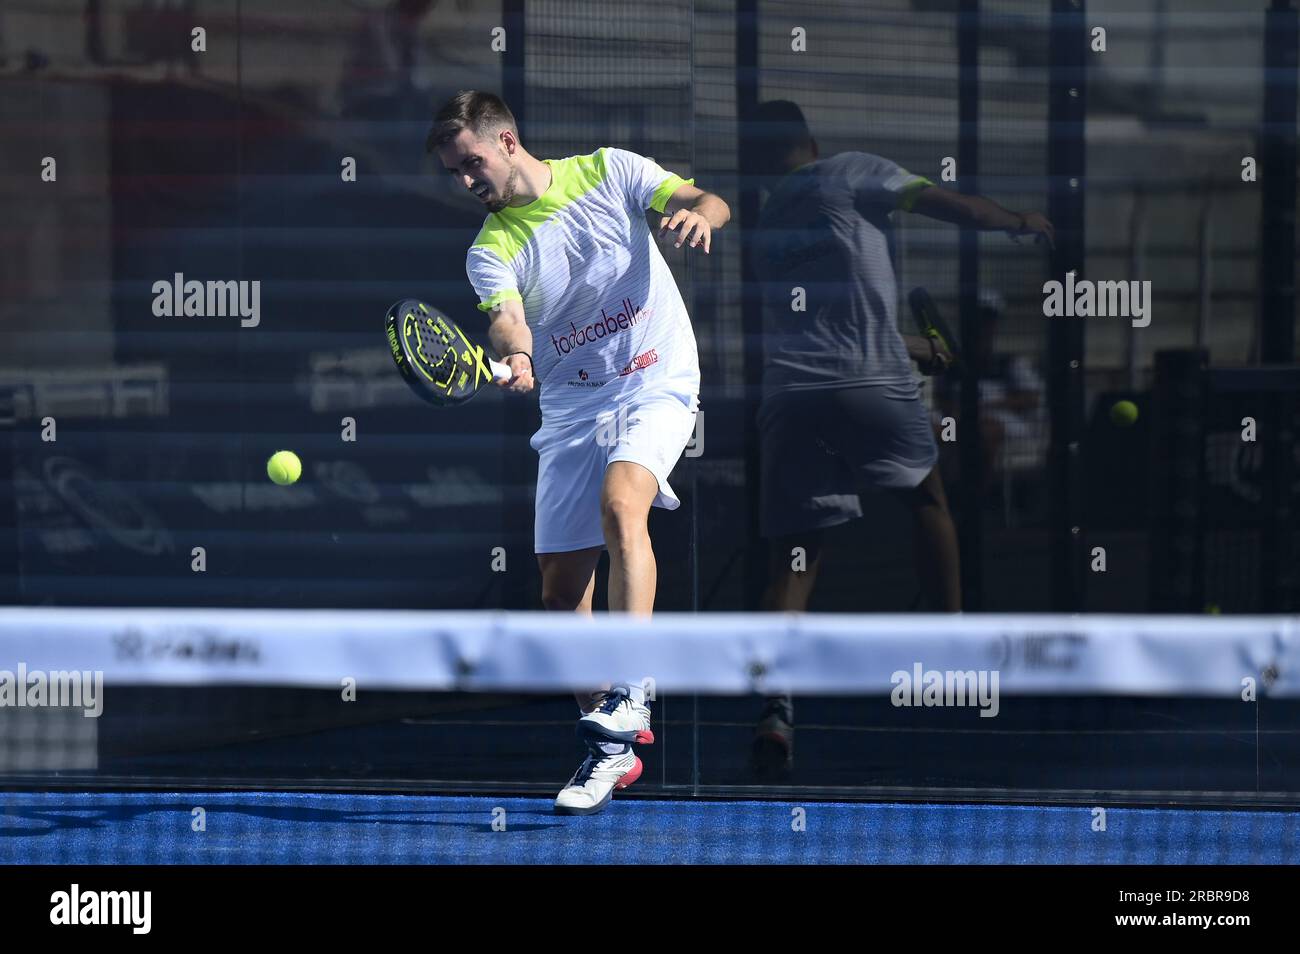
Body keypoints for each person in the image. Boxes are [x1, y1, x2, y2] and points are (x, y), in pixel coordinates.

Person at [428, 90, 730, 814]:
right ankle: (611, 750)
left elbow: (706, 198)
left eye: (472, 163)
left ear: (508, 142)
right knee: (562, 598)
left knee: (625, 506)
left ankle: (632, 689)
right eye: (453, 172)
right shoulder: (490, 248)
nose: (467, 181)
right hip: (571, 410)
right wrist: (521, 357)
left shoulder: (611, 171)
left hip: (656, 378)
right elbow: (506, 321)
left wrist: (699, 214)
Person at [745, 100, 1054, 776]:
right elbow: (956, 207)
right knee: (927, 501)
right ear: (811, 139)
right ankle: (952, 647)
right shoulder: (852, 171)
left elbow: (820, 325)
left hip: (792, 395)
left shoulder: (767, 222)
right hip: (871, 385)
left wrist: (913, 345)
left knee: (794, 560)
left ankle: (776, 707)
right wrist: (1016, 221)